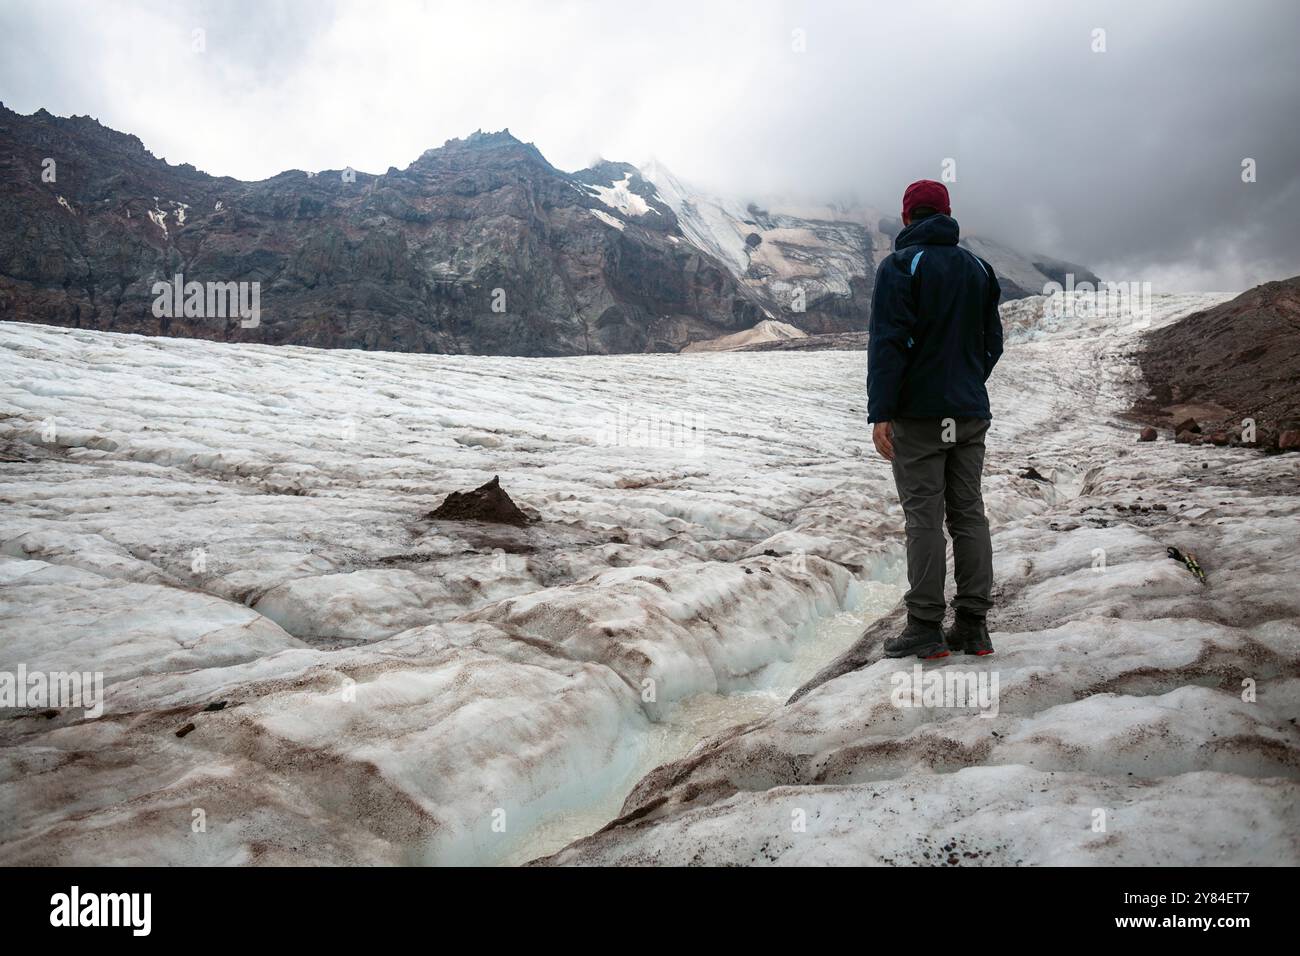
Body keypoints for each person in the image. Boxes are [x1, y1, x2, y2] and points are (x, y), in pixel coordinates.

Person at [867, 179, 1003, 659]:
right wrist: (966, 382)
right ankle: (973, 625)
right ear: (947, 213)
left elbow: (888, 342)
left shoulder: (901, 265)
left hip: (920, 417)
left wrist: (882, 410)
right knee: (968, 514)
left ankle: (925, 625)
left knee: (923, 517)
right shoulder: (980, 269)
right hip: (969, 413)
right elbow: (992, 343)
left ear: (906, 217)